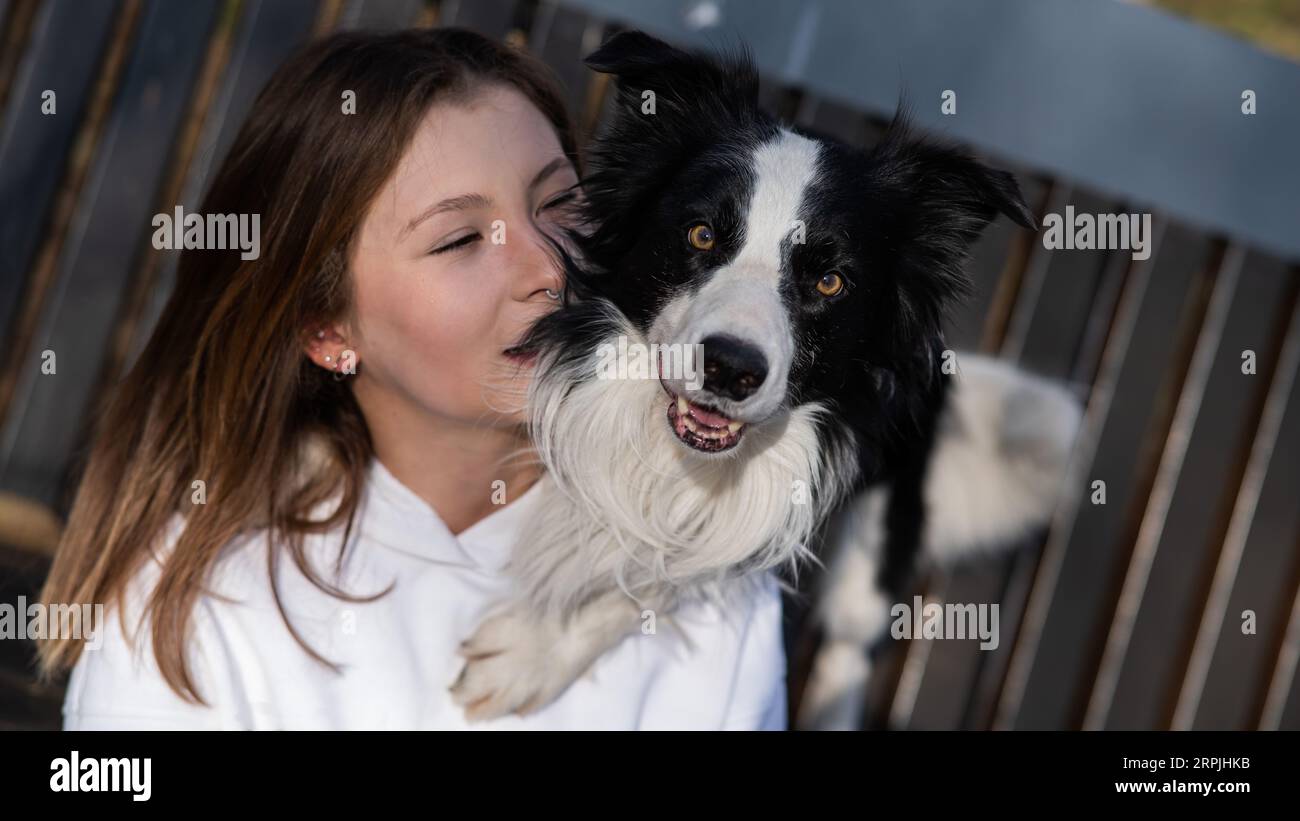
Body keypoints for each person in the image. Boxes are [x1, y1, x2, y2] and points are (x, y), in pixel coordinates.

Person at [36, 27, 787, 730]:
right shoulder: (197, 601)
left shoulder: (707, 583)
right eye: (461, 239)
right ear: (327, 329)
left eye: (560, 203)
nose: (549, 266)